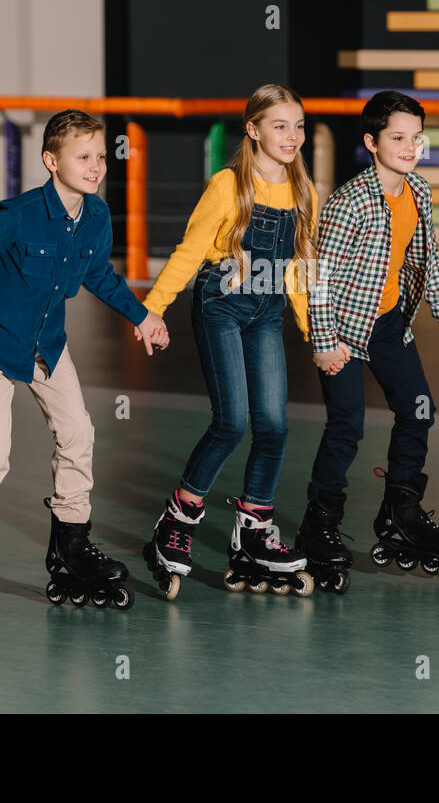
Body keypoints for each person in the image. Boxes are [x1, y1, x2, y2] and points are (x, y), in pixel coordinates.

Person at [0, 109, 166, 613]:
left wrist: (142, 315)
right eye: (82, 157)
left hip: (48, 345)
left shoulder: (97, 217)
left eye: (100, 157)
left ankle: (70, 545)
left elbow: (98, 275)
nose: (95, 166)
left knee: (78, 434)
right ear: (51, 160)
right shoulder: (17, 215)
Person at [141, 84, 318, 599]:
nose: (292, 136)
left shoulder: (303, 190)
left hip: (267, 314)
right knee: (232, 421)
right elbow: (190, 251)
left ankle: (254, 531)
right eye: (280, 125)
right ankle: (177, 519)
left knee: (275, 424)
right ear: (253, 129)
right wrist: (152, 308)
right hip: (221, 307)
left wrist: (316, 333)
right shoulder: (228, 185)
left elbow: (301, 271)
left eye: (299, 126)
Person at [300, 90, 439, 592]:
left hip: (391, 323)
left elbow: (427, 256)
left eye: (417, 138)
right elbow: (319, 277)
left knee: (419, 409)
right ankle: (319, 525)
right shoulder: (349, 203)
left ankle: (401, 512)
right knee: (347, 426)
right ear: (372, 142)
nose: (410, 146)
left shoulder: (418, 190)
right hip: (344, 331)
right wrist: (324, 342)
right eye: (398, 137)